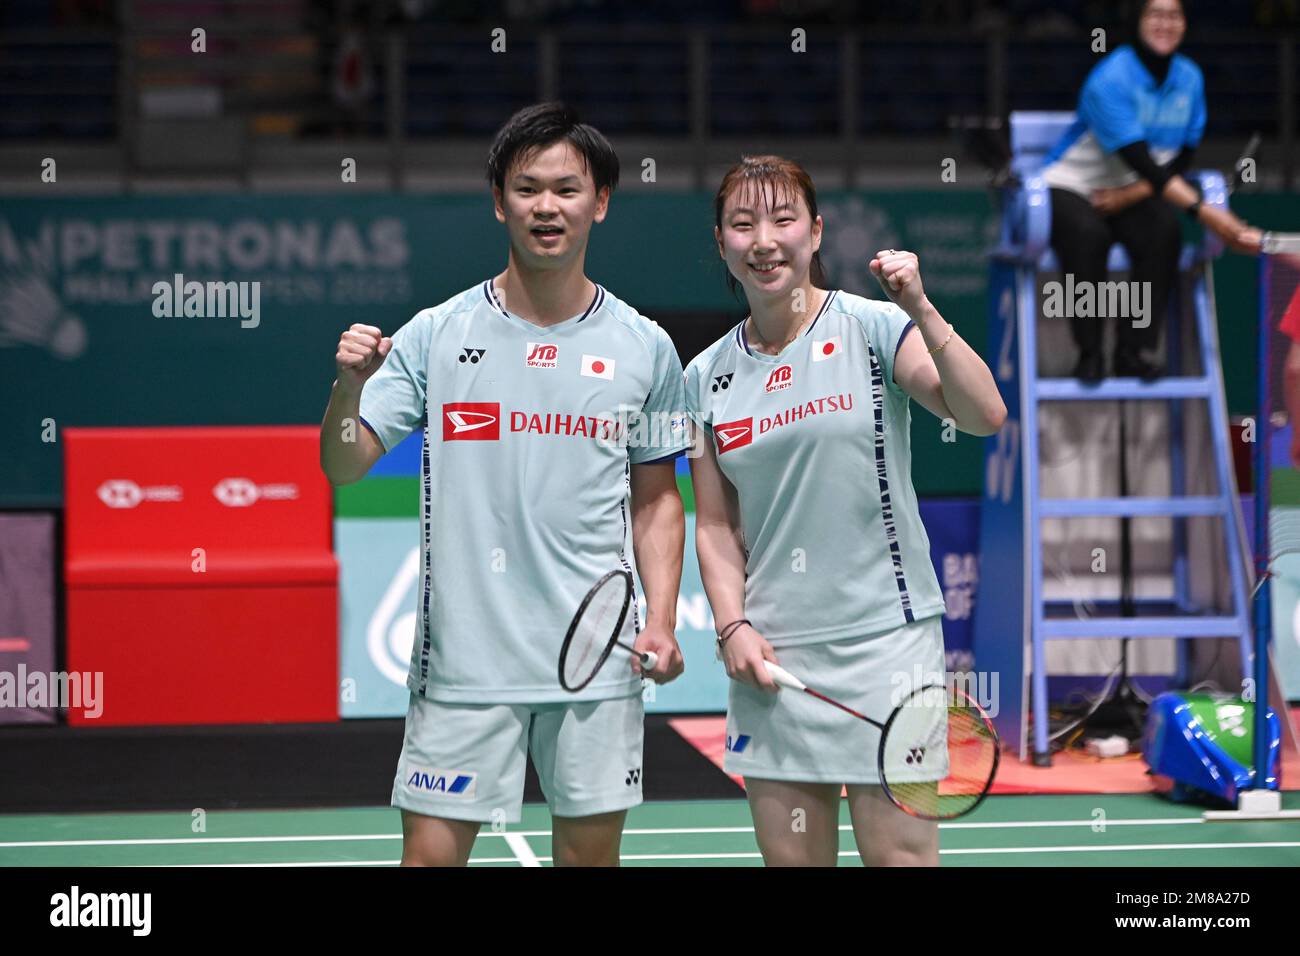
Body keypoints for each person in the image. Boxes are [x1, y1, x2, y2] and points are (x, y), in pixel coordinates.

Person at [320, 102, 691, 867]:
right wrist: (347, 390)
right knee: (428, 860)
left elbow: (657, 498)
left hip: (596, 655)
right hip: (465, 660)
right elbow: (344, 464)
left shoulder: (646, 347)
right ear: (499, 202)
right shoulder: (438, 333)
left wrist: (660, 618)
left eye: (566, 189)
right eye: (527, 189)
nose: (546, 207)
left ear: (601, 203)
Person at [683, 155, 1006, 866]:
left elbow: (984, 414)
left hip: (886, 645)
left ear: (817, 230)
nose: (764, 240)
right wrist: (731, 622)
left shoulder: (875, 329)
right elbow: (712, 523)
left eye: (783, 219)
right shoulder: (704, 377)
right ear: (721, 244)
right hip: (775, 660)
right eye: (743, 224)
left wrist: (923, 307)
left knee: (902, 860)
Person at [1042, 0, 1262, 383]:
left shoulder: (1190, 78)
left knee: (1163, 232)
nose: (1165, 23)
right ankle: (1090, 352)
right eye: (1155, 14)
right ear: (1138, 22)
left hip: (1131, 191)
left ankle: (1132, 351)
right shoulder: (1110, 79)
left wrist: (1128, 197)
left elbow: (1178, 161)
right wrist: (1212, 216)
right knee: (1088, 235)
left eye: (1174, 15)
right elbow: (1146, 164)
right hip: (1074, 185)